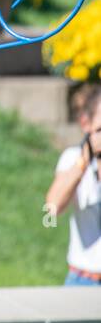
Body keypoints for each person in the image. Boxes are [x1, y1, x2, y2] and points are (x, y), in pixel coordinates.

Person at [46, 84, 101, 285]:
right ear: (86, 123)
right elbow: (51, 209)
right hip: (84, 278)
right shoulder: (72, 158)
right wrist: (83, 163)